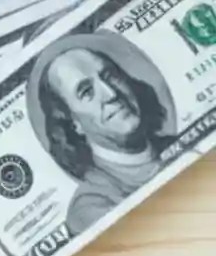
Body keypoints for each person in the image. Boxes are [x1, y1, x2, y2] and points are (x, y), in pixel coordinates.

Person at [36, 35, 172, 235]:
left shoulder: (180, 144)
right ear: (73, 124)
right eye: (86, 92)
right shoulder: (91, 206)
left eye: (109, 76)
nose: (111, 93)